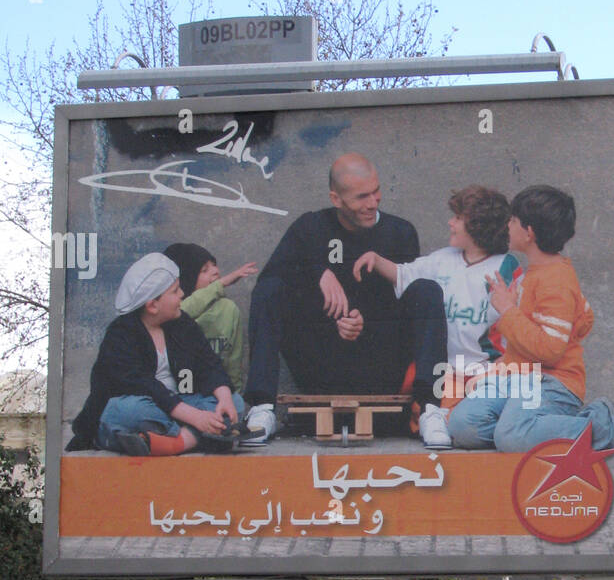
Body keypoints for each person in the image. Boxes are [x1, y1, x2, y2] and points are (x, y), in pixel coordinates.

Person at [243, 153, 448, 445]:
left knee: (426, 289)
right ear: (336, 199)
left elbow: (403, 306)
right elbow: (268, 286)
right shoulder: (309, 228)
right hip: (321, 362)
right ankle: (262, 407)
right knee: (271, 288)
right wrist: (318, 273)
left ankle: (429, 409)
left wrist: (365, 322)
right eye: (361, 197)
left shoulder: (400, 232)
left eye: (376, 192)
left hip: (381, 362)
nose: (373, 203)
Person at [448, 185, 614, 452]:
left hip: (551, 383)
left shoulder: (555, 280)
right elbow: (584, 318)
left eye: (513, 220)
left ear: (528, 233)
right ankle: (537, 426)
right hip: (518, 377)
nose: (508, 225)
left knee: (511, 435)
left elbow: (550, 351)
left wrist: (508, 310)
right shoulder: (538, 272)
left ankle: (604, 423)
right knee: (462, 425)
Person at [352, 185, 521, 413]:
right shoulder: (442, 259)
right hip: (444, 372)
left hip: (485, 370)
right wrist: (376, 259)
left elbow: (520, 326)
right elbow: (404, 274)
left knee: (472, 417)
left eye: (458, 218)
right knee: (433, 415)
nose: (451, 223)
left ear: (478, 227)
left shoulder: (506, 267)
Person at [67, 252, 244, 455]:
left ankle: (174, 442)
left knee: (235, 402)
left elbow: (209, 364)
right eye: (175, 291)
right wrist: (196, 418)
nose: (182, 295)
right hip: (148, 405)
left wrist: (223, 397)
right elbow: (145, 386)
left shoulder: (182, 324)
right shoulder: (121, 335)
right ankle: (206, 436)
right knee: (124, 411)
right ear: (152, 305)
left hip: (179, 406)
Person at [163, 243, 257, 393]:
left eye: (214, 265)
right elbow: (183, 311)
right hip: (178, 394)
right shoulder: (173, 311)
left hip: (216, 394)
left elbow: (234, 363)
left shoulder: (228, 309)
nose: (216, 271)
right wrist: (221, 284)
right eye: (204, 270)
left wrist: (234, 395)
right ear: (187, 278)